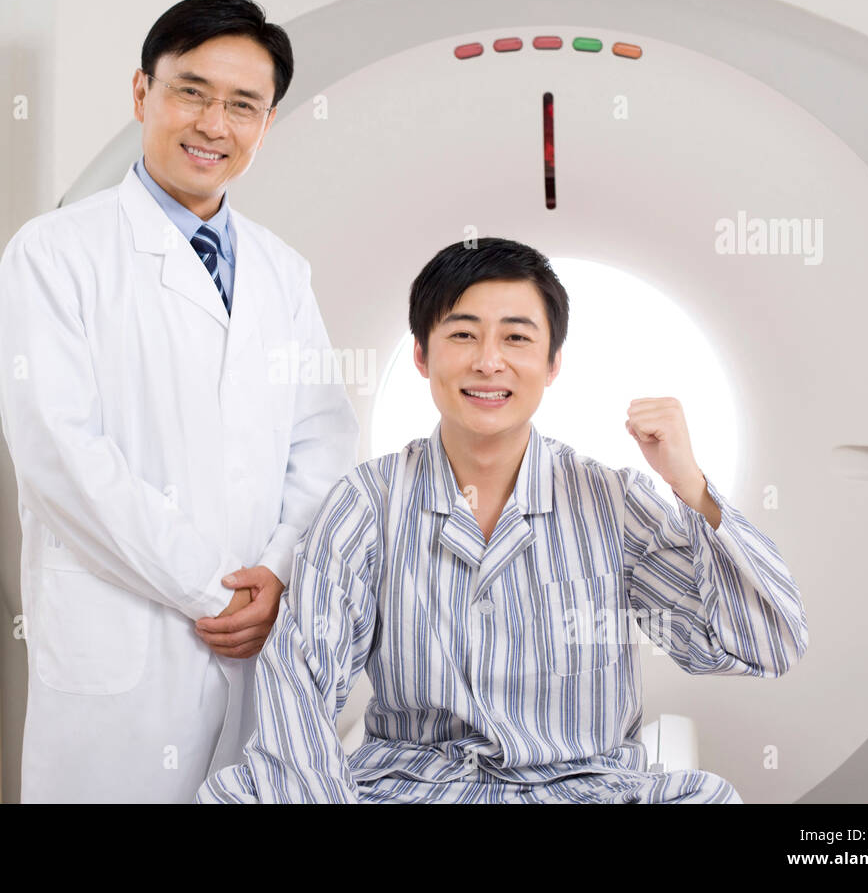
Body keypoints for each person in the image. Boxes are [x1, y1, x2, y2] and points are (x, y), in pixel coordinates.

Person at [198, 237, 809, 803]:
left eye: (516, 338)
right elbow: (301, 681)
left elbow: (765, 646)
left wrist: (691, 486)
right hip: (414, 785)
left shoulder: (611, 500)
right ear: (420, 354)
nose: (489, 362)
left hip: (583, 785)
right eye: (463, 335)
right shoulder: (368, 500)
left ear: (553, 363)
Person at [0, 0, 359, 802]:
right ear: (142, 95)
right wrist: (211, 589)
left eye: (242, 106)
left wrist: (279, 569)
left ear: (265, 124)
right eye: (191, 91)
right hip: (125, 638)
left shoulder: (280, 271)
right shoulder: (55, 253)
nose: (212, 124)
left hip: (259, 628)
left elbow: (325, 442)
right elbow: (62, 454)